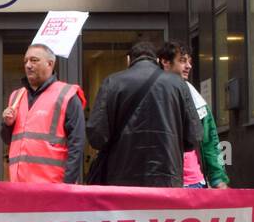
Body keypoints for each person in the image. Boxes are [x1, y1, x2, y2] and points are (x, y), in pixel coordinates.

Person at [86, 40, 201, 188]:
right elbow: (194, 137)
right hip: (167, 177)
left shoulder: (112, 82)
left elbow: (97, 136)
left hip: (121, 177)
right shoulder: (178, 84)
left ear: (129, 60)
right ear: (157, 60)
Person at [0, 43, 86, 184]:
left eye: (34, 60)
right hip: (19, 186)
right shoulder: (17, 96)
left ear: (50, 64)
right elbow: (8, 140)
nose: (28, 65)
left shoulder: (66, 95)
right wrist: (7, 125)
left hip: (52, 187)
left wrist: (67, 186)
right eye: (25, 61)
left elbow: (76, 145)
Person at [158, 41, 229, 189]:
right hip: (162, 183)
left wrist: (217, 178)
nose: (189, 66)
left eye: (189, 61)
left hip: (194, 182)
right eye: (183, 61)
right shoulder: (153, 94)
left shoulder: (196, 98)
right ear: (165, 61)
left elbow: (210, 140)